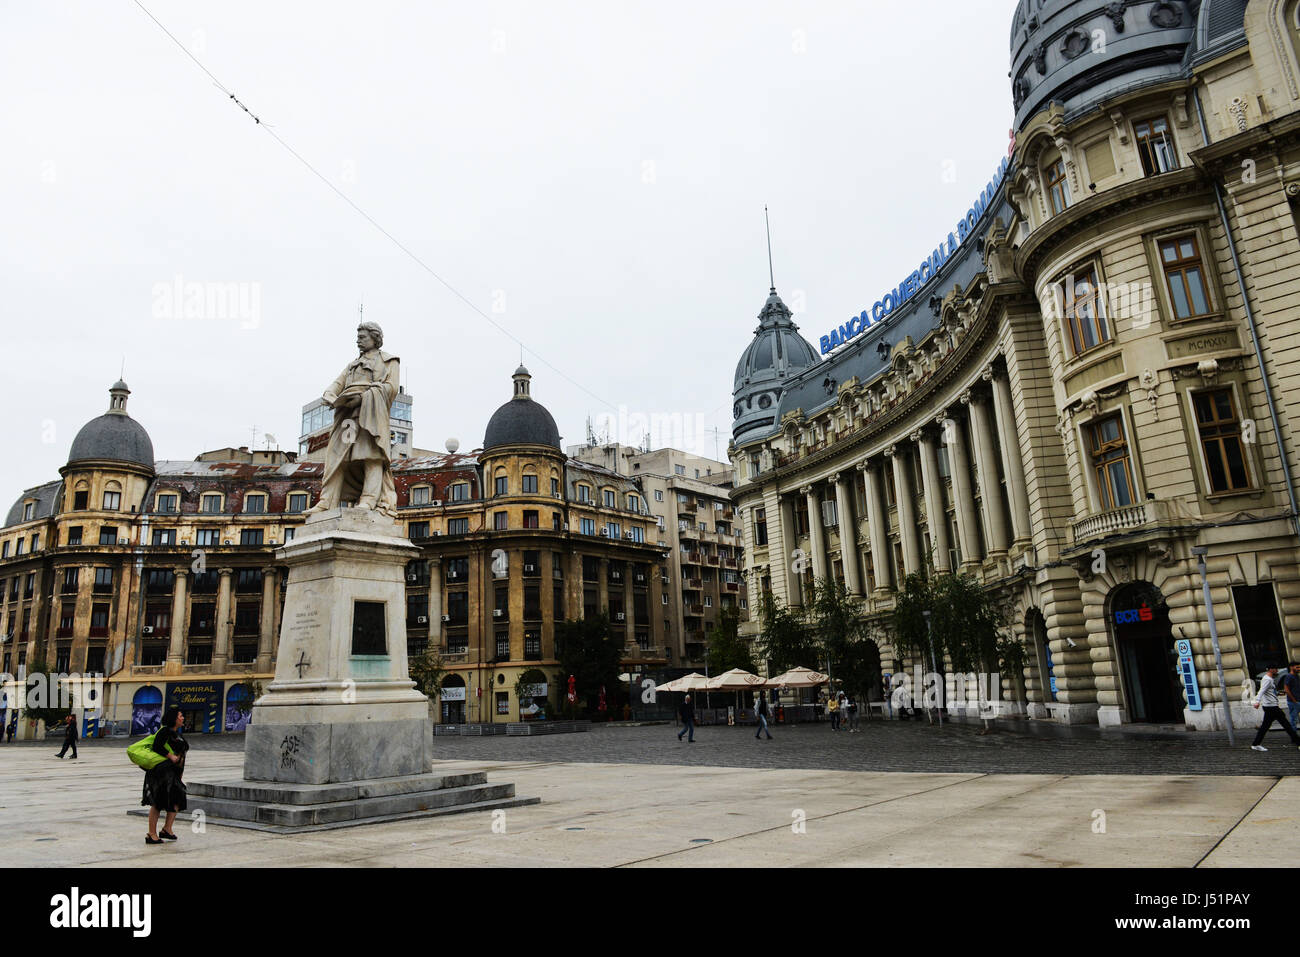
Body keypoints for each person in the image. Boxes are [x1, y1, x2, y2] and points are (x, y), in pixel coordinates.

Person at [143, 707, 189, 844]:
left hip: (173, 773)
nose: (182, 718)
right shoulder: (164, 731)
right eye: (180, 715)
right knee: (158, 801)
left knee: (177, 799)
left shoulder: (177, 734)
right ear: (174, 718)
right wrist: (170, 756)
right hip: (161, 772)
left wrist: (180, 773)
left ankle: (167, 829)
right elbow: (157, 746)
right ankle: (151, 834)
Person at [1250, 665, 1300, 751]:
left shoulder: (1269, 679)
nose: (1277, 670)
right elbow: (1261, 691)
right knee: (1286, 725)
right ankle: (1298, 742)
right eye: (1276, 669)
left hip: (1270, 706)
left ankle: (1256, 744)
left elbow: (1268, 691)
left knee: (1265, 726)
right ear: (1271, 669)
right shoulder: (1267, 679)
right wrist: (1257, 701)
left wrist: (1277, 693)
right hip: (1271, 707)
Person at [1283, 662, 1300, 733]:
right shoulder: (1289, 676)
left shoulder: (1297, 676)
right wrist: (1294, 700)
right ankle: (1294, 736)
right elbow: (1286, 689)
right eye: (1297, 667)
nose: (1299, 669)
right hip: (1293, 702)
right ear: (1291, 667)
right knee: (1294, 719)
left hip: (1298, 700)